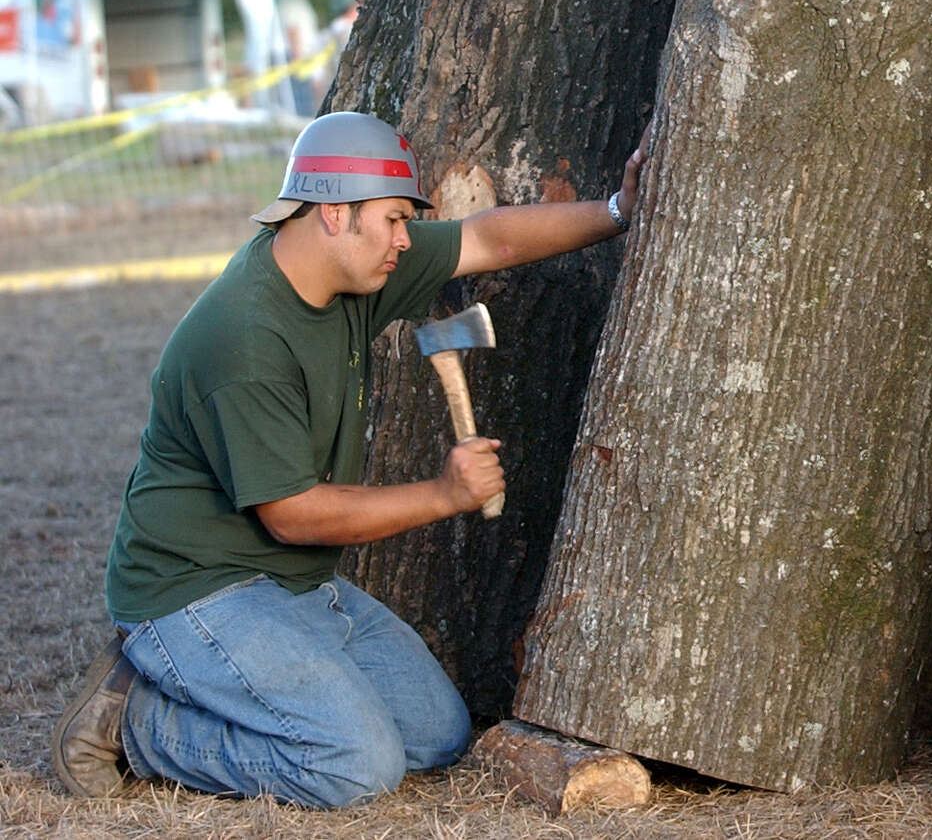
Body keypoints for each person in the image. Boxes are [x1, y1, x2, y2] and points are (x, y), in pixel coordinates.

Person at [51, 110, 643, 807]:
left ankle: (235, 696)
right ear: (335, 213)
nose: (404, 238)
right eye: (394, 219)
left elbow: (488, 237)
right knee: (356, 767)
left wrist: (617, 210)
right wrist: (445, 494)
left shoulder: (353, 273)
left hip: (293, 584)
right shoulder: (244, 337)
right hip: (194, 589)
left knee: (435, 735)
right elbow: (294, 516)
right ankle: (134, 721)